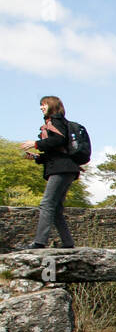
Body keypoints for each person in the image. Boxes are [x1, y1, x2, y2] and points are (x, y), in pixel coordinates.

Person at [17, 96, 78, 249]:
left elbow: (58, 140)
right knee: (56, 208)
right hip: (66, 168)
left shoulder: (56, 121)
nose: (41, 108)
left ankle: (39, 242)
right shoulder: (57, 122)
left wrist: (36, 144)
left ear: (51, 105)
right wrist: (37, 157)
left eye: (43, 105)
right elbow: (57, 151)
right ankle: (68, 243)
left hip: (62, 169)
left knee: (46, 204)